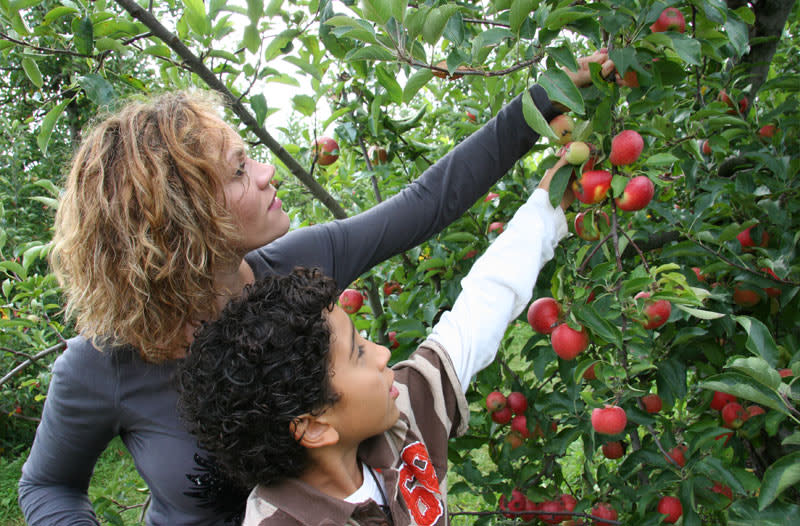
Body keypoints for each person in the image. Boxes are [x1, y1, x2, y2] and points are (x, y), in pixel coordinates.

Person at [19, 51, 616, 526]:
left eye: (249, 157)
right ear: (180, 222)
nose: (265, 172)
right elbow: (47, 485)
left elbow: (428, 203)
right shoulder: (101, 366)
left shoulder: (297, 271)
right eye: (237, 171)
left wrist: (543, 101)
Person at [176, 154, 574, 526]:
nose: (384, 353)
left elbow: (481, 308)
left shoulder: (403, 419)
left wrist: (547, 203)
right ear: (314, 427)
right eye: (359, 352)